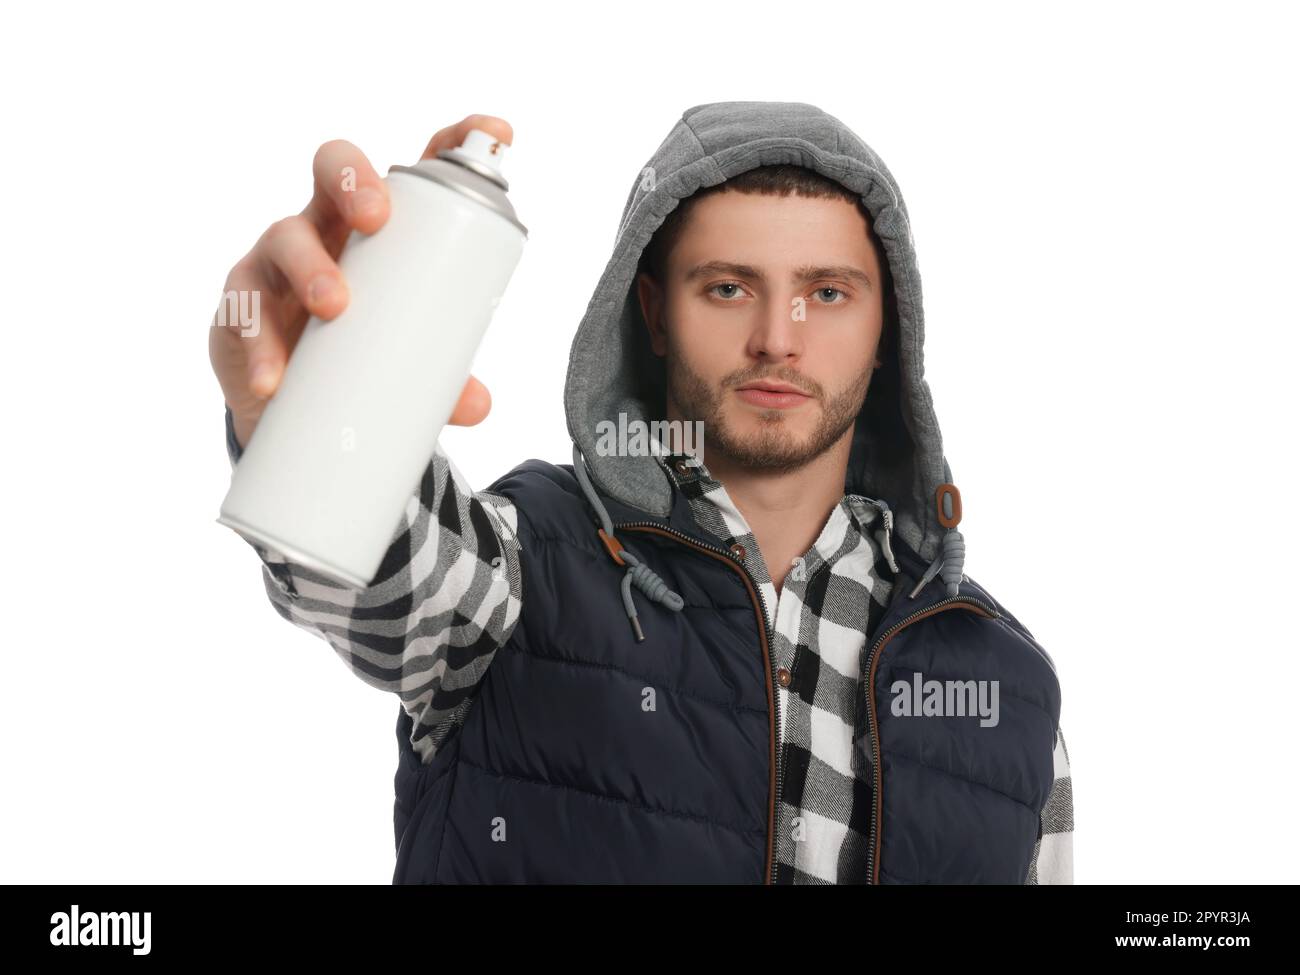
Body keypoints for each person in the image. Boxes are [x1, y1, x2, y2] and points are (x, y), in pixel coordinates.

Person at [211, 102, 1073, 884]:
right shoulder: (523, 572)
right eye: (729, 287)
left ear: (889, 330)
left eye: (827, 293)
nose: (779, 339)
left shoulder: (1010, 686)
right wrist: (302, 406)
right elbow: (367, 547)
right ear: (656, 314)